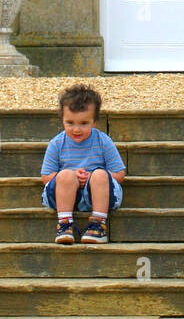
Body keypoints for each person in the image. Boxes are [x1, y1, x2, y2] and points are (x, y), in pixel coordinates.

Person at [40, 83, 125, 244]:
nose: (76, 129)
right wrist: (72, 176)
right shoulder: (57, 143)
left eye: (83, 123)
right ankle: (65, 225)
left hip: (98, 195)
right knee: (65, 175)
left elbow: (119, 175)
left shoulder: (103, 141)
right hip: (63, 194)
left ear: (94, 122)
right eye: (70, 123)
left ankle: (98, 224)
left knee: (100, 174)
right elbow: (46, 177)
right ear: (62, 120)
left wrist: (92, 176)